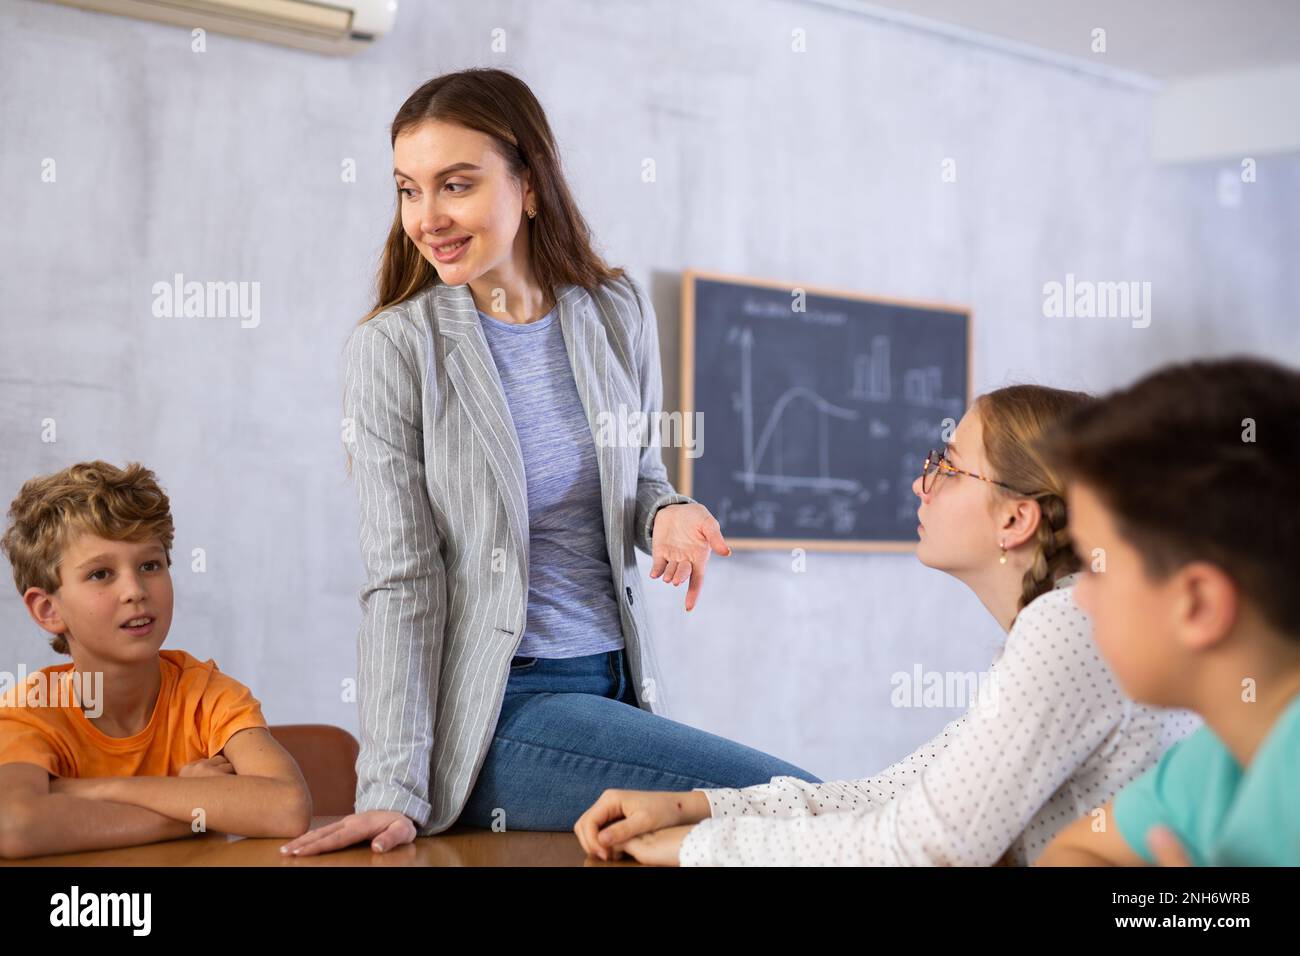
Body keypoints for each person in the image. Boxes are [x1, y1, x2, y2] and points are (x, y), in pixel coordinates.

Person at [281, 69, 819, 857]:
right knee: (799, 805)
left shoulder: (613, 310)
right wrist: (393, 790)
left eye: (455, 185)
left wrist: (666, 511)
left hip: (620, 687)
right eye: (408, 189)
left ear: (529, 185)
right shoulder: (396, 348)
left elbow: (639, 475)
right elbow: (402, 580)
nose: (426, 218)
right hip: (504, 715)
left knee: (776, 819)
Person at [575, 385, 1200, 865]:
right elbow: (893, 794)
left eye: (948, 468)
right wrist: (691, 809)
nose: (920, 483)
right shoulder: (1076, 622)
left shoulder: (1072, 629)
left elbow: (918, 848)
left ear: (1016, 520)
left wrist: (695, 848)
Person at [1037, 357, 1300, 866]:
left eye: (1096, 565)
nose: (1079, 596)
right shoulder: (1221, 756)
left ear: (1198, 605)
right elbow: (1074, 850)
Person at [0, 461, 311, 860]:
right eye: (100, 574)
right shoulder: (31, 710)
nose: (134, 590)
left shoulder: (205, 692)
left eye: (150, 565)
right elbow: (14, 825)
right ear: (47, 609)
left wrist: (92, 790)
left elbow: (287, 807)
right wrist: (199, 809)